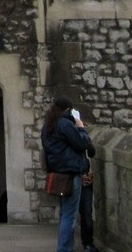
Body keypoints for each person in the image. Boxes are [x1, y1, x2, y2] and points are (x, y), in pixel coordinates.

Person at [41, 94, 93, 252]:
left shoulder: (47, 126)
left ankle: (64, 247)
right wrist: (81, 128)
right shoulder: (64, 124)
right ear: (68, 110)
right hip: (70, 174)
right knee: (69, 215)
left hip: (57, 175)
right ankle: (64, 249)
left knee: (64, 213)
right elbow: (82, 143)